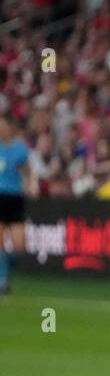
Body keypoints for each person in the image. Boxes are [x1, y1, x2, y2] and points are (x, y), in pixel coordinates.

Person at [0, 115, 30, 295]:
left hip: (15, 198)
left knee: (19, 245)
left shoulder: (20, 149)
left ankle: (6, 272)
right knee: (0, 242)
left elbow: (26, 171)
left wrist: (30, 182)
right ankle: (2, 281)